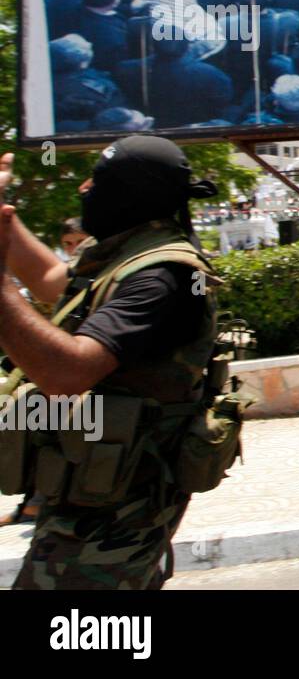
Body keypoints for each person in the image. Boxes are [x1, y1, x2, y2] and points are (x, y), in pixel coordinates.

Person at [0, 138, 224, 589]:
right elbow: (47, 281)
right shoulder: (128, 256)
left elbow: (67, 375)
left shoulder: (162, 276)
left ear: (131, 194)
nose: (84, 188)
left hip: (117, 510)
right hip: (90, 491)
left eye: (97, 181)